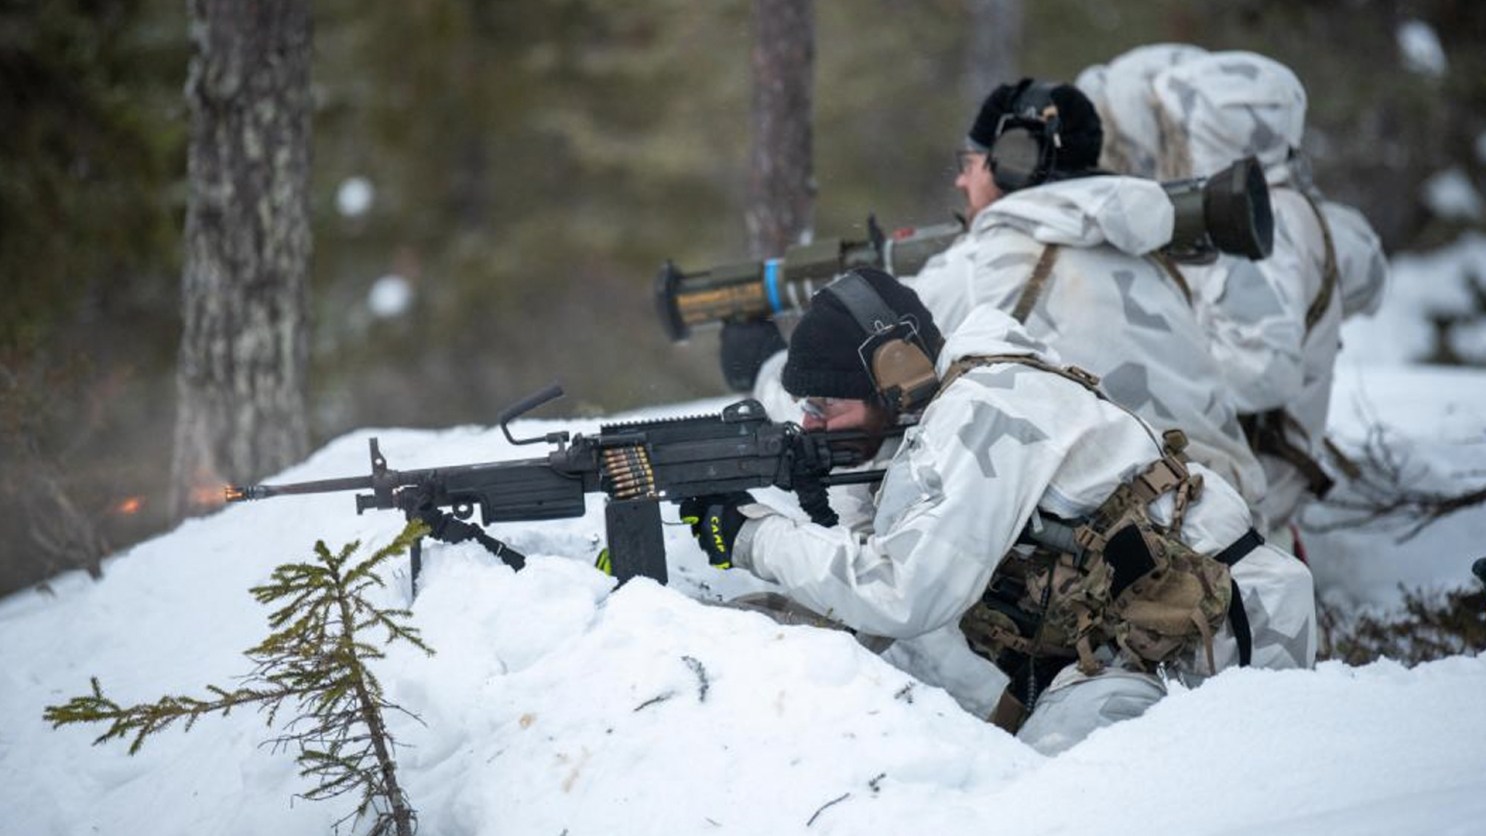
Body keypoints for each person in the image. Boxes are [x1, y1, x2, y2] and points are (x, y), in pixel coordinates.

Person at [684, 266, 1316, 754]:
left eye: (825, 404)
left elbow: (902, 595)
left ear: (892, 372)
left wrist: (753, 539)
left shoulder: (984, 409)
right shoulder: (941, 411)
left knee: (1065, 790)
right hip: (1143, 637)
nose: (812, 421)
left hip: (1226, 633)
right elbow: (871, 584)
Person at [729, 77, 1271, 524]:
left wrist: (764, 367)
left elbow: (848, 390)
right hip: (1224, 519)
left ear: (1013, 163)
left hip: (1139, 548)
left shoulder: (984, 264)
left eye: (971, 163)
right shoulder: (1157, 257)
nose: (963, 182)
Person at [1142, 50, 1391, 547]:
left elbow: (1263, 371)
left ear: (1222, 134)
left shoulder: (1260, 229)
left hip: (1229, 520)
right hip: (1236, 508)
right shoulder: (1289, 210)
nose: (1169, 145)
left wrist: (1146, 386)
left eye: (1180, 129)